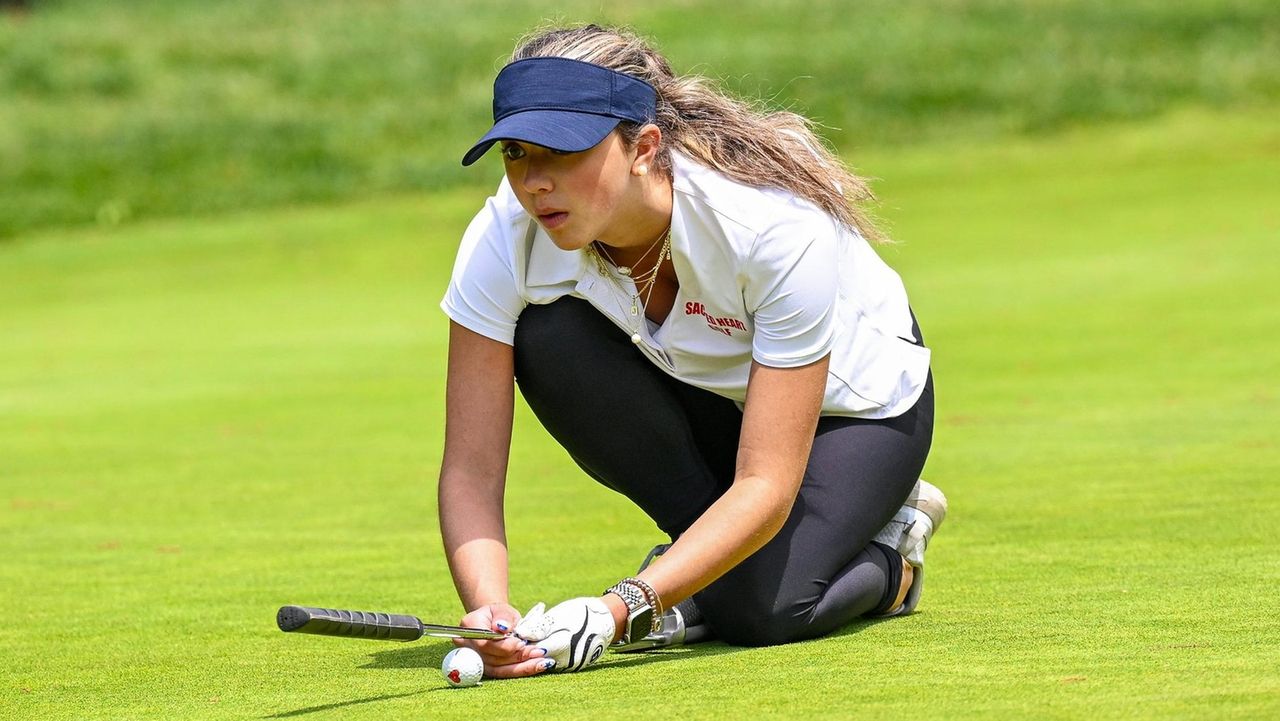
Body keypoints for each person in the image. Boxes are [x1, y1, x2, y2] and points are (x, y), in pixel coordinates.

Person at [438, 24, 946, 678]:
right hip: (707, 390)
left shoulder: (768, 225)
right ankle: (706, 574)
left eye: (561, 152)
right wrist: (490, 612)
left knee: (761, 609)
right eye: (514, 151)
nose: (533, 183)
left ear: (644, 147)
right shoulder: (504, 236)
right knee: (549, 339)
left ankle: (894, 557)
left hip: (856, 408)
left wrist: (623, 606)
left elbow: (765, 481)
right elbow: (470, 470)